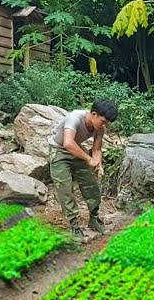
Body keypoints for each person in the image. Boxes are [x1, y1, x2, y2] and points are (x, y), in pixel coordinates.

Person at [49, 100, 118, 238]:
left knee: (91, 185)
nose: (104, 125)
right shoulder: (74, 118)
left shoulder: (100, 128)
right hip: (59, 150)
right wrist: (89, 159)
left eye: (106, 123)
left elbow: (97, 149)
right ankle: (74, 226)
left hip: (77, 150)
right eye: (103, 121)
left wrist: (98, 164)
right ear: (94, 114)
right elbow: (68, 143)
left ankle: (94, 219)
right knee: (65, 189)